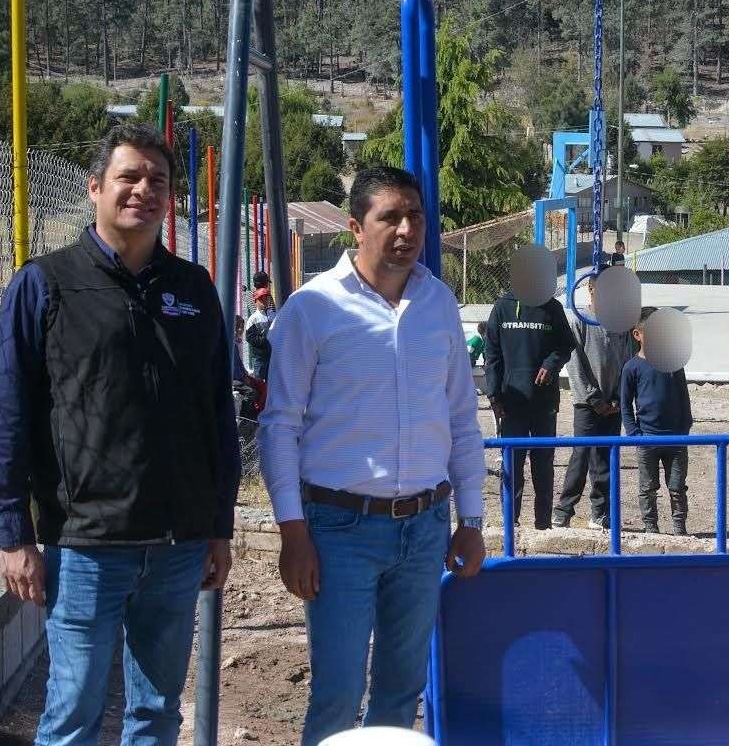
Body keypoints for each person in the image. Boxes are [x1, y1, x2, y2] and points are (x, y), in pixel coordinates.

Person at [0, 125, 239, 745]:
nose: (143, 190)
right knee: (73, 715)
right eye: (129, 177)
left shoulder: (193, 289)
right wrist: (14, 535)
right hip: (86, 545)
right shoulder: (46, 284)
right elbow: (6, 415)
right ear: (95, 187)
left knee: (156, 713)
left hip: (178, 545)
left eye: (157, 180)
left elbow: (216, 415)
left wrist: (219, 526)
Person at [258, 167, 485, 744]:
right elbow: (279, 425)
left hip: (425, 528)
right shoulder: (313, 308)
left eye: (415, 216)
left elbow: (461, 418)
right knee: (336, 693)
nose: (407, 229)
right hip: (340, 531)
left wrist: (472, 520)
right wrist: (292, 532)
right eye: (391, 217)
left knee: (401, 689)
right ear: (356, 227)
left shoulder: (438, 303)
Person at [483, 278, 575, 531]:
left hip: (545, 402)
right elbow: (492, 354)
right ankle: (509, 523)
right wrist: (493, 396)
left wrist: (551, 364)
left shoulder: (552, 307)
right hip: (511, 401)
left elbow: (567, 344)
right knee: (512, 465)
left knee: (543, 465)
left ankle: (543, 524)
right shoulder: (502, 307)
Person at [553, 276, 633, 530]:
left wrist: (618, 397)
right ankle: (564, 510)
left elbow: (626, 362)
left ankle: (600, 512)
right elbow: (574, 364)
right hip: (587, 404)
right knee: (581, 454)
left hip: (613, 404)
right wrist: (593, 397)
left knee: (606, 458)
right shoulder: (579, 321)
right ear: (591, 289)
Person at [621, 307, 694, 535]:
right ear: (638, 335)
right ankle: (650, 527)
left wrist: (685, 428)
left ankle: (679, 528)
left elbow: (684, 398)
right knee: (648, 487)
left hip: (676, 439)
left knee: (677, 486)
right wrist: (634, 434)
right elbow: (625, 404)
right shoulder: (631, 367)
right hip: (647, 439)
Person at [245, 286, 276, 379]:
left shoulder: (274, 315)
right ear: (255, 301)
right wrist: (264, 339)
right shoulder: (253, 319)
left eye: (266, 298)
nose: (264, 301)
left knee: (273, 381)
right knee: (260, 382)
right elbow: (250, 338)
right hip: (260, 358)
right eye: (261, 299)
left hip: (274, 356)